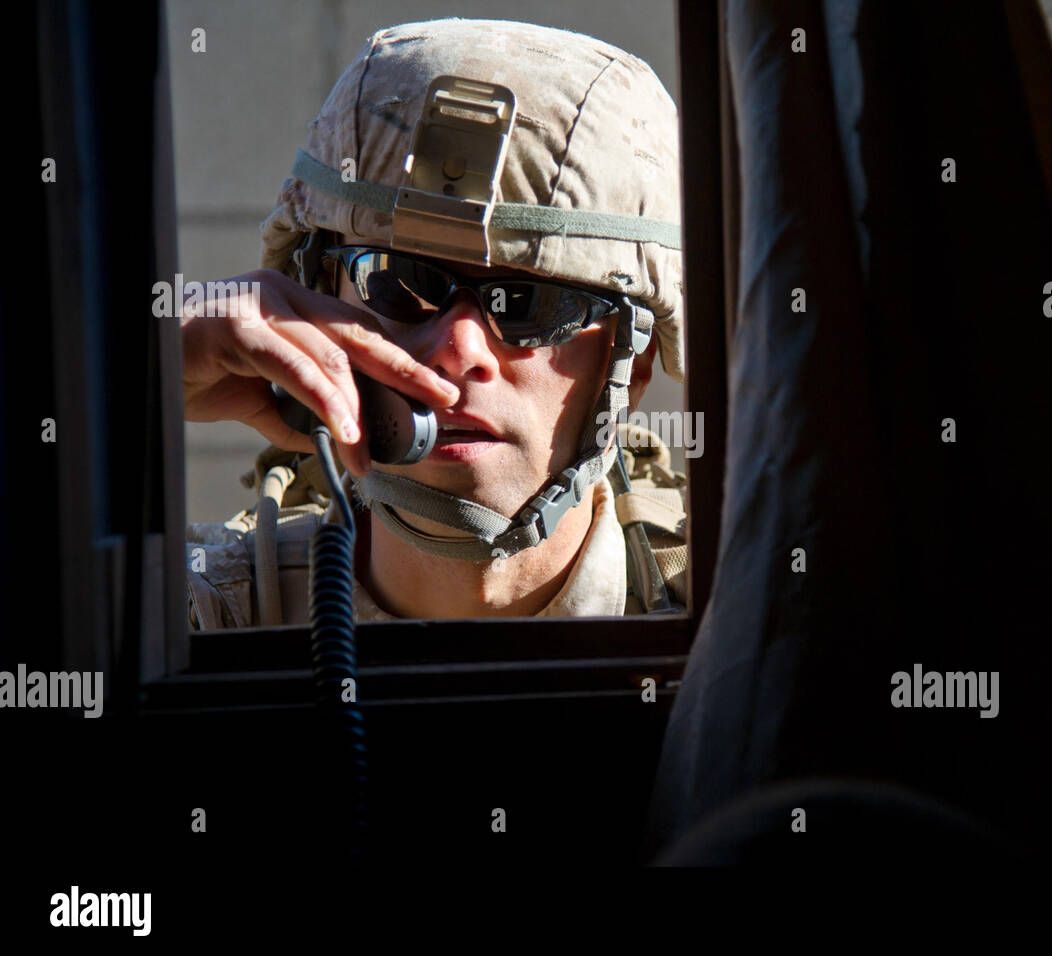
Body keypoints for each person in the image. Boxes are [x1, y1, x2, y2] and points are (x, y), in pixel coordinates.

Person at [182, 19, 689, 628]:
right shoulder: (200, 612)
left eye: (528, 303)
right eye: (398, 280)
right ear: (319, 293)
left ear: (630, 365)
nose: (458, 347)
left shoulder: (743, 619)